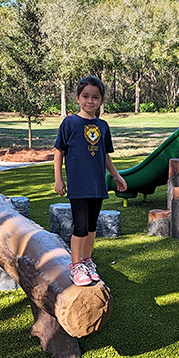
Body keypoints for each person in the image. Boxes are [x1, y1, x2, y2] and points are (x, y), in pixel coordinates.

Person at [54, 76, 127, 286]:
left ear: (101, 100)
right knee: (80, 227)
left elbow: (104, 155)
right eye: (85, 96)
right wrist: (58, 179)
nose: (90, 101)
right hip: (78, 186)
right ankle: (75, 265)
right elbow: (59, 152)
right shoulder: (69, 123)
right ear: (78, 98)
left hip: (97, 185)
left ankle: (86, 261)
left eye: (95, 97)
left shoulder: (103, 126)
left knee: (92, 227)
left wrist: (116, 175)